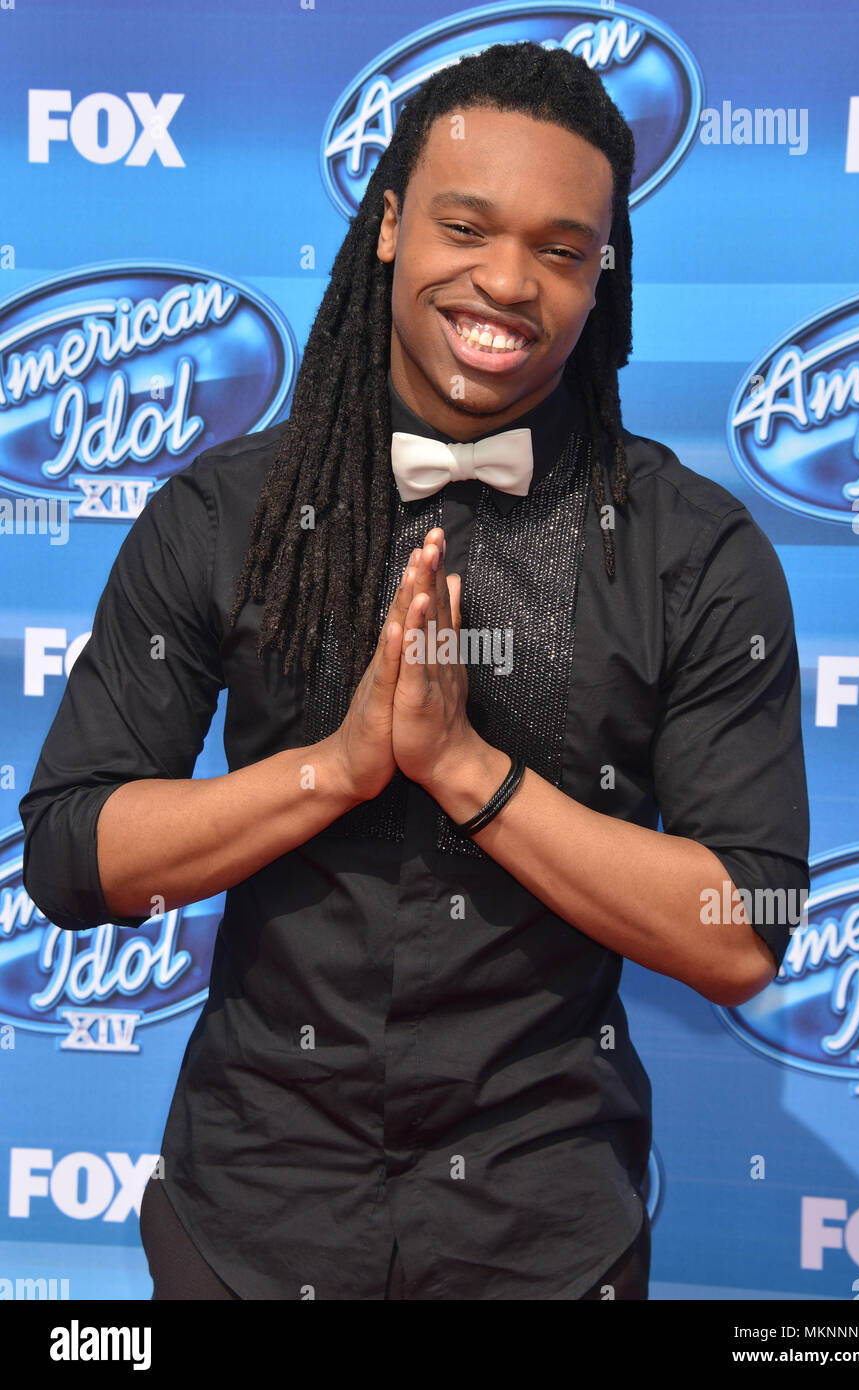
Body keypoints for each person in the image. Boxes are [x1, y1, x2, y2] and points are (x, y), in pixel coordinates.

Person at [19, 41, 810, 1300]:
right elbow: (72, 854)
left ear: (602, 276)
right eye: (466, 226)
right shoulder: (223, 516)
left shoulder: (690, 552)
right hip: (246, 1225)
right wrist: (334, 770)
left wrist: (471, 775)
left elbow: (744, 929)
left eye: (560, 249)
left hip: (544, 1239)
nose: (506, 281)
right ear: (388, 224)